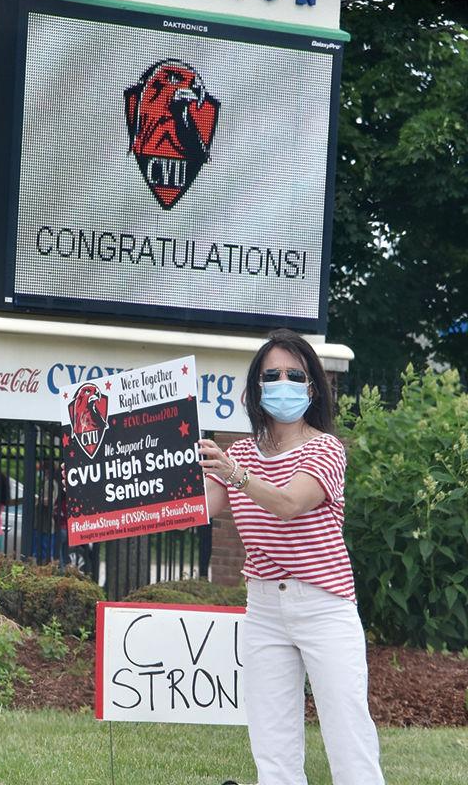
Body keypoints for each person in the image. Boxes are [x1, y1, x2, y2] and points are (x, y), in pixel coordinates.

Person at [199, 329, 384, 785]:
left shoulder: (326, 448)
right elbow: (198, 508)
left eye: (293, 374)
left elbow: (287, 503)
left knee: (348, 737)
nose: (282, 381)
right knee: (273, 745)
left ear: (312, 386)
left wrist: (236, 475)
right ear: (257, 387)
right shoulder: (240, 453)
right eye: (271, 374)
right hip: (263, 607)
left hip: (324, 605)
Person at [32, 457, 60, 564]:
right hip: (43, 524)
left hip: (44, 524)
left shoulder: (50, 483)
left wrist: (38, 499)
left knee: (44, 554)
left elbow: (49, 501)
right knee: (44, 552)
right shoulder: (50, 482)